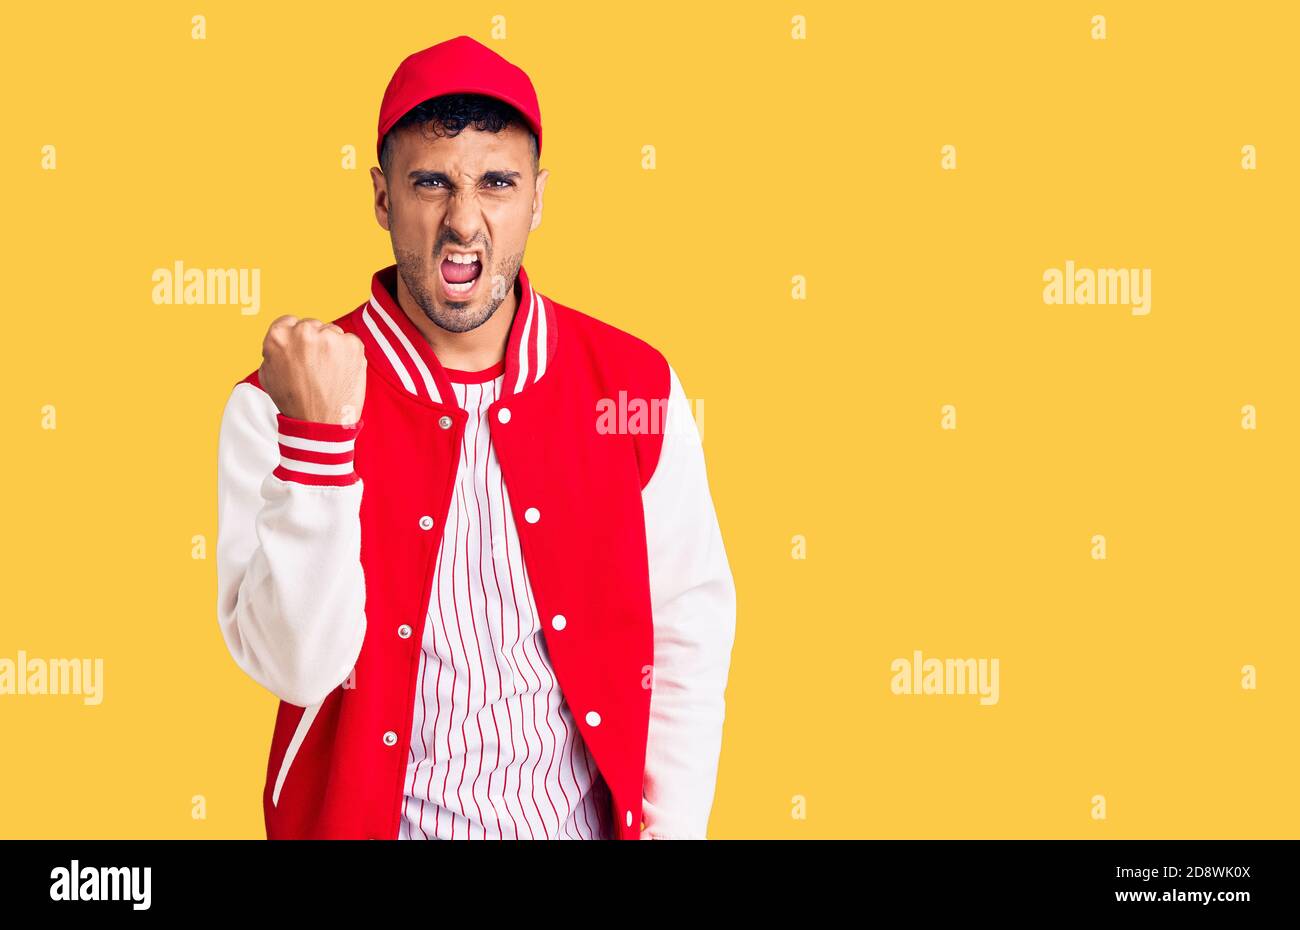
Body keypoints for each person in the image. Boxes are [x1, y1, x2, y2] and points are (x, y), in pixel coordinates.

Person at [214, 35, 737, 840]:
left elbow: (686, 636)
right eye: (432, 183)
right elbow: (296, 668)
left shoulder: (633, 386)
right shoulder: (278, 401)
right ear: (383, 199)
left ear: (537, 198)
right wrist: (318, 442)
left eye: (497, 182)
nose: (464, 222)